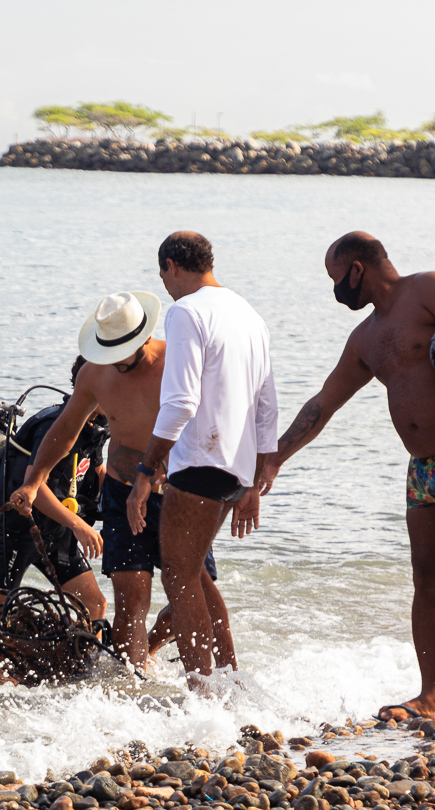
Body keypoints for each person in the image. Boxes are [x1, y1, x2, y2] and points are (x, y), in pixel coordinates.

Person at [266, 231, 435, 726]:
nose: (336, 291)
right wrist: (276, 458)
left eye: (336, 280)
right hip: (424, 465)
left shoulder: (428, 289)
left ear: (357, 268)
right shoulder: (364, 338)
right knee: (427, 577)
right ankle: (431, 695)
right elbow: (324, 403)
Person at [8, 290, 232, 670]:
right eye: (108, 351)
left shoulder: (181, 363)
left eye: (122, 352)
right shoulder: (94, 374)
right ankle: (131, 682)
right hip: (121, 494)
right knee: (130, 600)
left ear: (145, 336)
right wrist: (34, 481)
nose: (116, 362)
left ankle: (208, 669)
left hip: (179, 495)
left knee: (192, 591)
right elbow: (65, 430)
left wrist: (243, 485)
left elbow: (223, 422)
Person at [126, 232, 279, 684]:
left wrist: (145, 472)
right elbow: (267, 403)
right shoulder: (250, 314)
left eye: (163, 276)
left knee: (178, 576)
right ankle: (230, 679)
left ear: (171, 266)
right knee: (195, 574)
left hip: (199, 461)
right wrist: (253, 481)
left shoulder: (186, 311)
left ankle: (203, 691)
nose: (167, 286)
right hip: (235, 466)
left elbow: (179, 404)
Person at [0, 358, 108, 621]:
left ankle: (92, 661)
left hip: (58, 531)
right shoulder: (55, 425)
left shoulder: (97, 425)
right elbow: (34, 488)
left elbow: (97, 471)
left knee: (94, 605)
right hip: (19, 528)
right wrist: (79, 525)